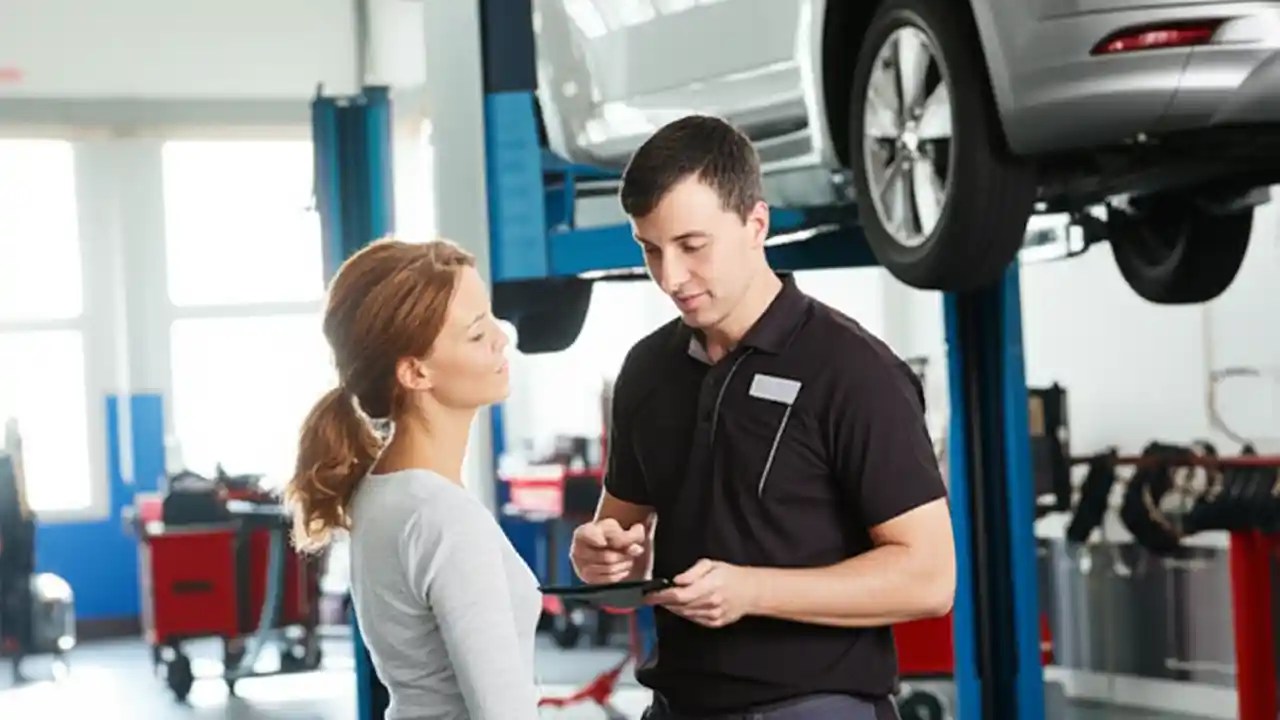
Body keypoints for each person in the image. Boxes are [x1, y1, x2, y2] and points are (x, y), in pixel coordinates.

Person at [568, 115, 957, 719]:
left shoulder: (853, 372)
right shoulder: (647, 371)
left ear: (756, 224)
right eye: (650, 249)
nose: (670, 277)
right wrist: (606, 562)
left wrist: (753, 591)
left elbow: (930, 578)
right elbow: (624, 553)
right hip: (677, 704)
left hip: (815, 707)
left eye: (693, 247)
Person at [284, 238, 542, 720]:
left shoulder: (381, 490)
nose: (500, 338)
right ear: (415, 372)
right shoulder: (442, 515)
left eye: (490, 318)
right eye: (475, 332)